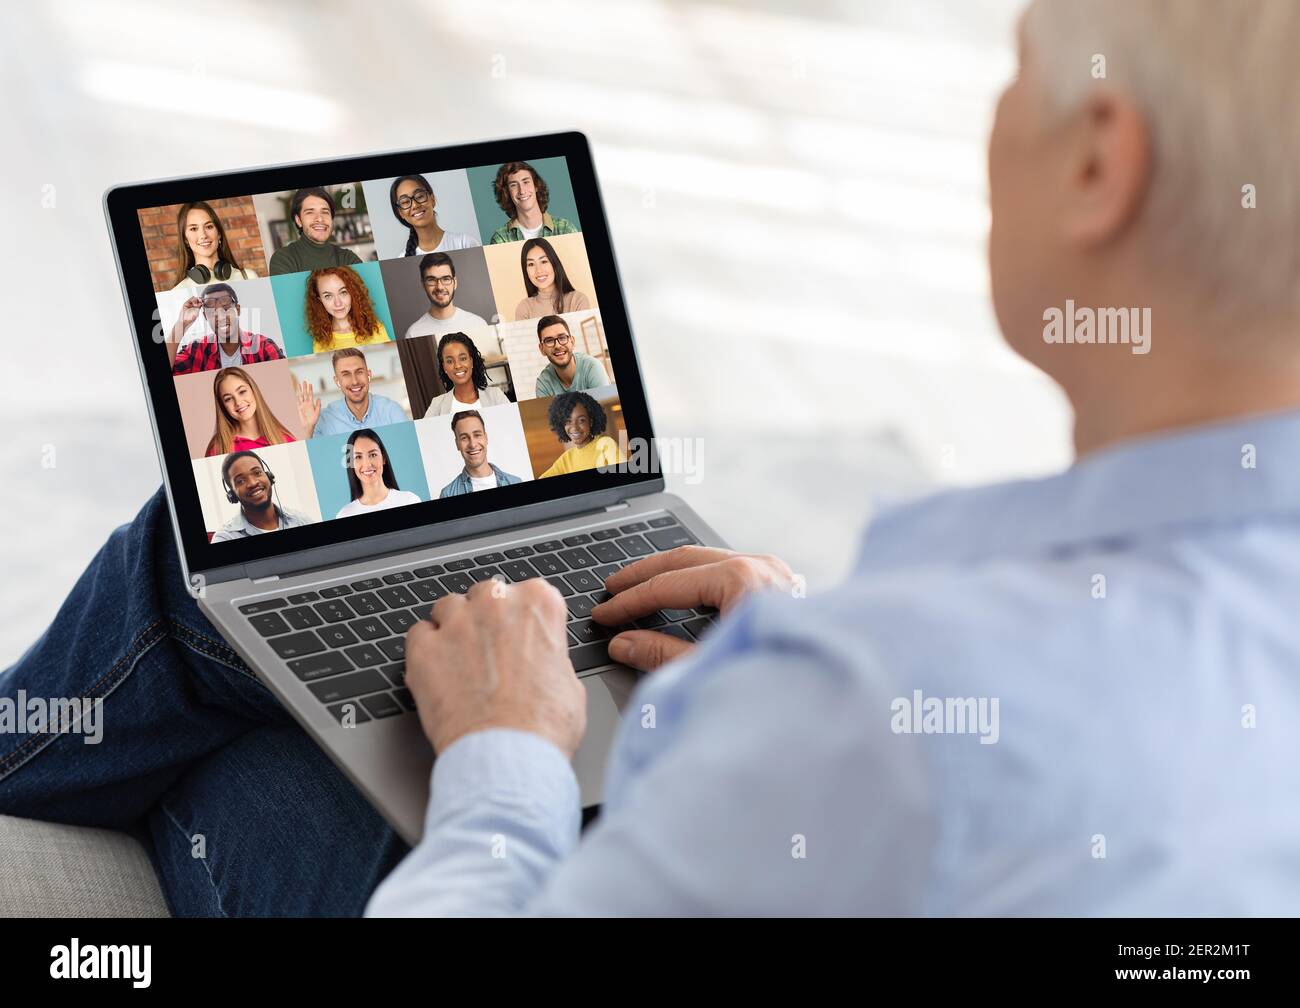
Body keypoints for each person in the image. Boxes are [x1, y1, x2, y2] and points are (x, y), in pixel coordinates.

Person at [5, 0, 1300, 918]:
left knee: (207, 605)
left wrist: (509, 750)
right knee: (310, 675)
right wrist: (803, 658)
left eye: (1016, 63)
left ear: (1097, 161)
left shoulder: (878, 708)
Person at [168, 283, 284, 374]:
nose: (221, 316)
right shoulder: (196, 349)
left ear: (237, 310)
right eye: (212, 311)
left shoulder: (263, 346)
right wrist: (181, 323)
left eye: (226, 307)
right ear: (205, 317)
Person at [297, 348, 408, 439]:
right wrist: (307, 430)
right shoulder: (323, 420)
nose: (354, 381)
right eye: (346, 374)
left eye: (359, 372)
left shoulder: (392, 411)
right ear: (337, 381)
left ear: (368, 375)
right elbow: (316, 458)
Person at [210, 451, 311, 541]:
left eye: (257, 473)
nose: (253, 483)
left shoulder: (299, 520)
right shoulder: (225, 537)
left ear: (269, 476)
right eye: (240, 481)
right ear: (232, 494)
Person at [203, 366, 297, 457]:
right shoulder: (217, 449)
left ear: (253, 391)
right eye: (228, 399)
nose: (238, 402)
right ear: (223, 406)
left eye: (242, 392)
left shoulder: (286, 439)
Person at [267, 187, 362, 275]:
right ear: (299, 221)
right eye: (310, 212)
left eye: (325, 212)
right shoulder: (284, 259)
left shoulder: (347, 258)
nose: (320, 219)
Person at [169, 201, 258, 291]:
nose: (203, 235)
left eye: (209, 227)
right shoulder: (178, 291)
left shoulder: (248, 277)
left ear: (219, 233)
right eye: (194, 229)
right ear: (185, 239)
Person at [335, 428, 422, 519]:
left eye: (373, 455)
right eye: (358, 457)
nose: (367, 464)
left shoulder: (410, 500)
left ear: (383, 458)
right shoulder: (344, 515)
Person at [402, 253, 489, 340]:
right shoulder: (413, 334)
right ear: (423, 285)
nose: (439, 287)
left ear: (455, 283)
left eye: (446, 279)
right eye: (431, 280)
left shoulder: (478, 323)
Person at [486, 161, 578, 243]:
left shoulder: (565, 229)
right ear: (507, 193)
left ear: (536, 186)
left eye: (526, 182)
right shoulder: (501, 238)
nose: (522, 191)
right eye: (513, 185)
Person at [437, 410, 523, 497]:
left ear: (486, 438)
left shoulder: (515, 482)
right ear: (457, 444)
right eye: (464, 438)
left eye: (477, 435)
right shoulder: (448, 494)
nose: (472, 444)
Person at [536, 391, 622, 478]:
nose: (574, 428)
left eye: (581, 420)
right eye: (568, 421)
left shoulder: (606, 444)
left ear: (591, 422)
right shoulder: (566, 459)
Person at [305, 266, 392, 352]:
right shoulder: (320, 343)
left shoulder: (376, 329)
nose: (338, 303)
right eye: (328, 296)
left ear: (353, 293)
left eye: (343, 292)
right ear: (320, 300)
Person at [422, 332, 510, 417]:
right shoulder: (437, 405)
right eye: (449, 361)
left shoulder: (495, 396)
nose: (457, 365)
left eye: (463, 358)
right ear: (444, 367)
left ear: (471, 362)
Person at [388, 175, 480, 256]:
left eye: (419, 196)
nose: (415, 205)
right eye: (405, 202)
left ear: (432, 199)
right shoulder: (402, 258)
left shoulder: (465, 243)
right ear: (400, 213)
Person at [513, 238, 590, 320]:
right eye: (531, 264)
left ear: (554, 263)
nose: (538, 270)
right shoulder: (524, 308)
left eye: (544, 261)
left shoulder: (577, 300)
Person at [532, 315, 608, 397]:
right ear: (542, 349)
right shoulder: (543, 384)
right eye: (549, 341)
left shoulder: (592, 368)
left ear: (572, 342)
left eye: (562, 337)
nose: (557, 346)